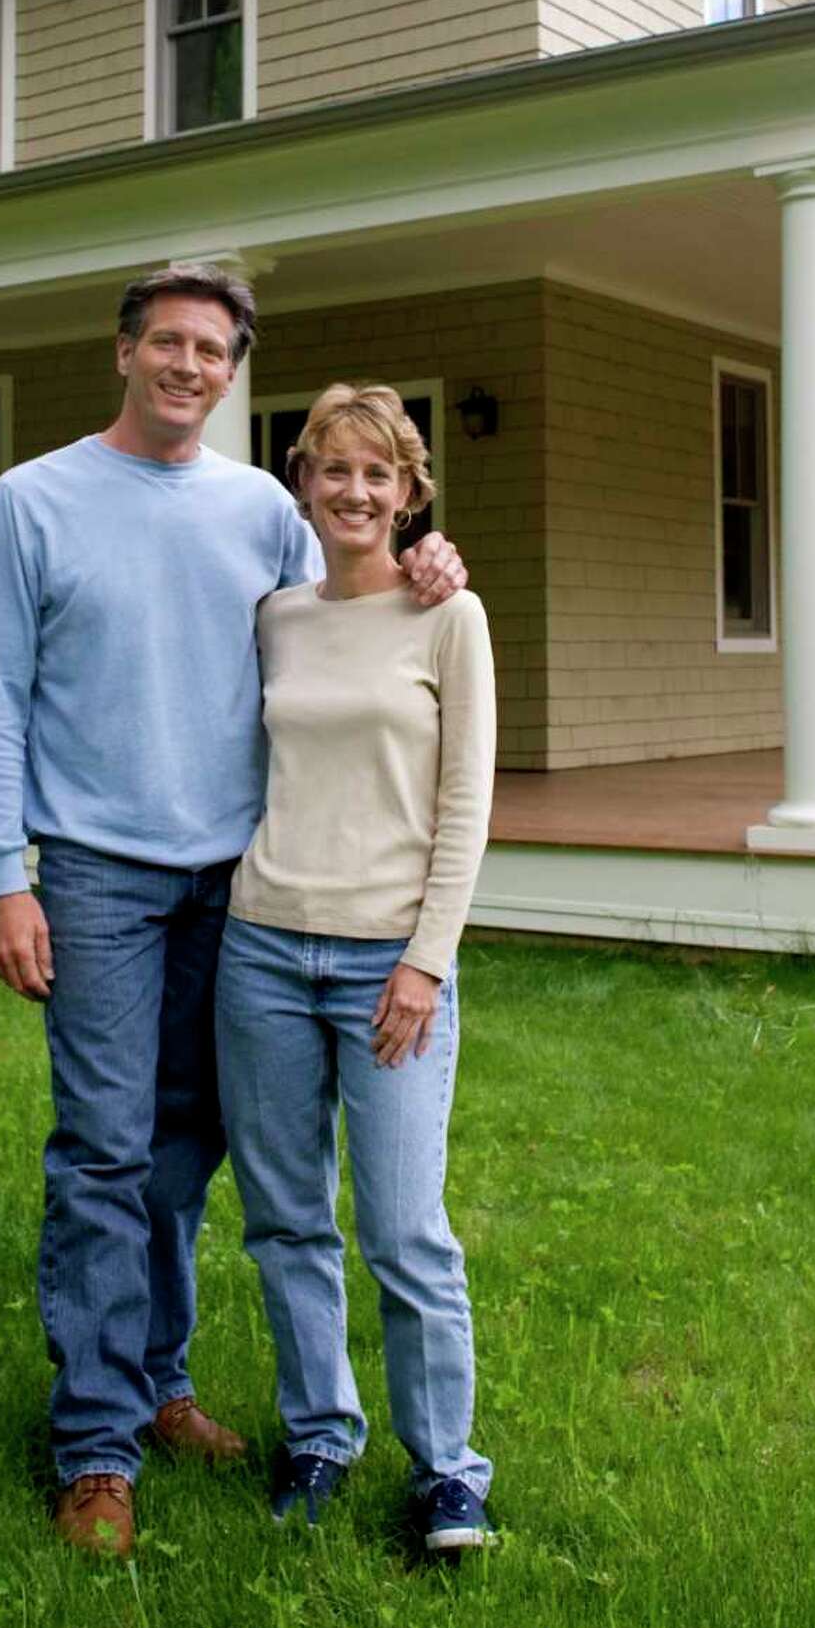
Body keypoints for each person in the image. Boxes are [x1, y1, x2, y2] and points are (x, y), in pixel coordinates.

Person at [0, 267, 465, 1558]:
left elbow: (350, 611)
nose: (189, 365)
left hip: (236, 886)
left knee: (188, 1153)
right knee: (106, 1152)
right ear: (124, 353)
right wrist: (2, 873)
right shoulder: (33, 503)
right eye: (168, 342)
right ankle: (94, 1447)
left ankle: (161, 1383)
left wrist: (427, 561)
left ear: (233, 373)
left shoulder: (264, 515)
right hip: (96, 875)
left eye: (213, 350)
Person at [215, 382, 497, 1553]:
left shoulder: (450, 618)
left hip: (391, 962)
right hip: (266, 949)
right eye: (335, 469)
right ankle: (322, 1434)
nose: (356, 491)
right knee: (285, 1221)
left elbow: (466, 800)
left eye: (379, 474)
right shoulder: (277, 615)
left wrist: (426, 963)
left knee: (401, 1226)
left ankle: (447, 1472)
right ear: (305, 482)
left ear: (410, 492)